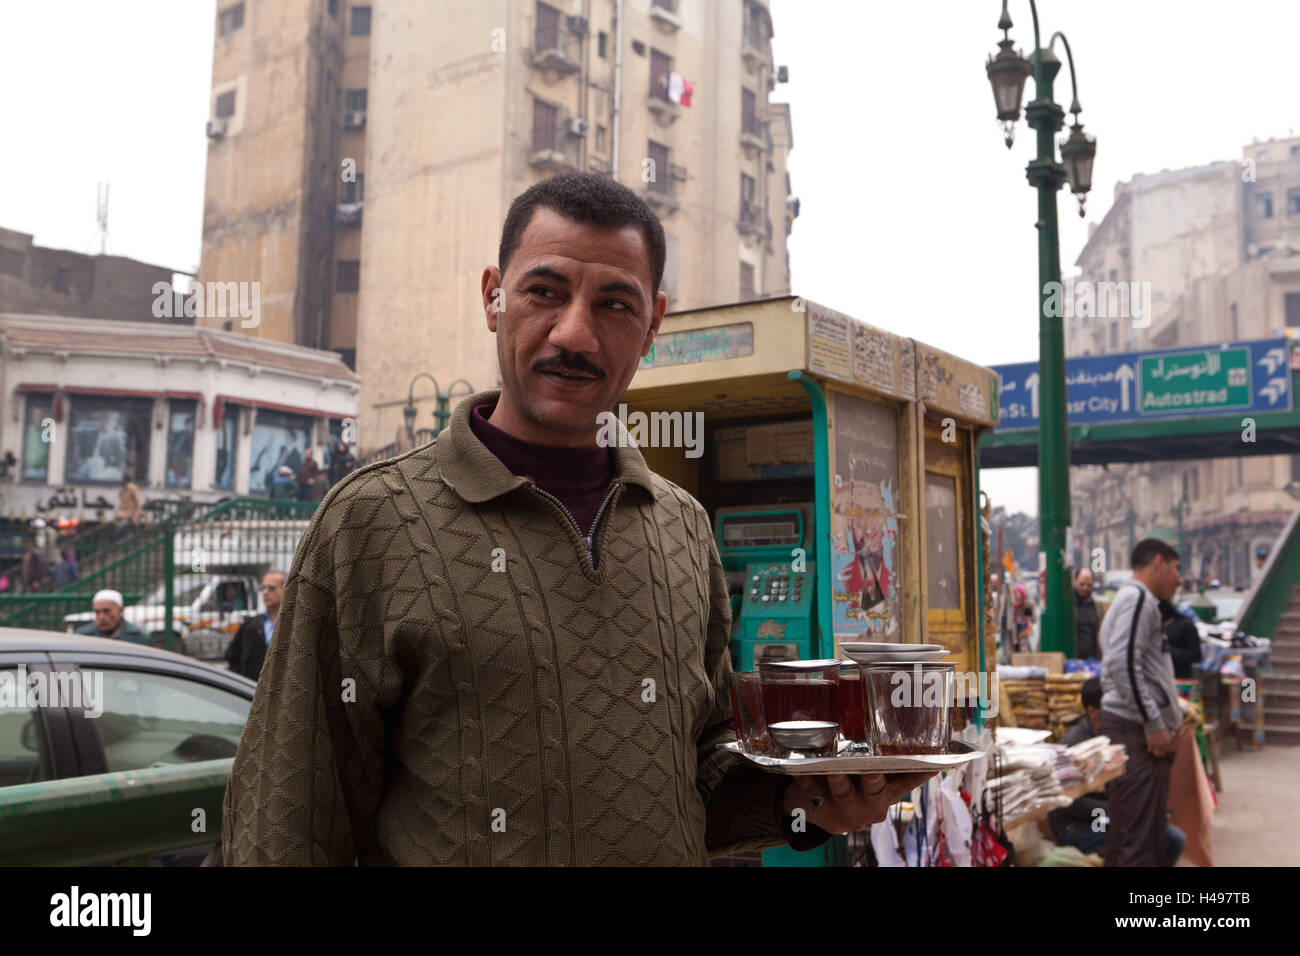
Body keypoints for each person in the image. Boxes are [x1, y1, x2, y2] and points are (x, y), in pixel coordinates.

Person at [223, 172, 937, 866]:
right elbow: (288, 822)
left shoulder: (682, 528)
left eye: (615, 305)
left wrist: (807, 801)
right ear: (492, 297)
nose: (575, 334)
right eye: (545, 292)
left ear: (654, 323)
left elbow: (698, 775)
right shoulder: (369, 526)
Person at [1097, 538, 1188, 867]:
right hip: (1135, 731)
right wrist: (1154, 723)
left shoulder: (1129, 598)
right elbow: (1122, 664)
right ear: (1159, 562)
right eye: (1177, 569)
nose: (1179, 580)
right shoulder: (1138, 599)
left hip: (1131, 728)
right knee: (1141, 844)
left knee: (1130, 836)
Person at [1048, 678, 1185, 865]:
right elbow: (1068, 802)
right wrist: (1116, 811)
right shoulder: (1072, 746)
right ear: (1092, 712)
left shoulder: (1117, 736)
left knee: (1172, 838)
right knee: (1155, 841)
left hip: (1110, 818)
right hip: (1078, 825)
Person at [225, 571, 285, 681]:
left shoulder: (291, 627)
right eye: (263, 588)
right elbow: (232, 657)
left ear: (285, 590)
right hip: (251, 691)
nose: (265, 592)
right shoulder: (249, 626)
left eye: (271, 588)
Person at [75, 589, 150, 645]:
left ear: (120, 610)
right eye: (97, 612)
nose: (101, 617)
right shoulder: (83, 635)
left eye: (107, 611)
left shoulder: (138, 636)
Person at [1161, 598, 1202, 680]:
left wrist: (1168, 650)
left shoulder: (1186, 626)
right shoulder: (1154, 627)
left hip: (1179, 676)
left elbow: (1196, 655)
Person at [1073, 569, 1108, 659]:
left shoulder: (1098, 608)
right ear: (1075, 582)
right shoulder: (1067, 606)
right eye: (1082, 584)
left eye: (1089, 585)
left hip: (1092, 661)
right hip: (1071, 660)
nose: (1085, 588)